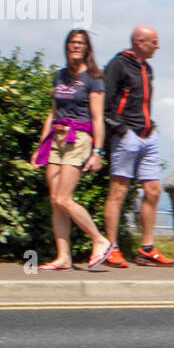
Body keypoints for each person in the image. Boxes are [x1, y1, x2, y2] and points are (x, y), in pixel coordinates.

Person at [31, 29, 113, 270]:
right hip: (56, 138)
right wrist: (40, 146)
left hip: (78, 139)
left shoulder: (94, 78)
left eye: (80, 43)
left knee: (64, 198)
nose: (76, 46)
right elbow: (53, 113)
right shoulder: (60, 76)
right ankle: (63, 257)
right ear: (66, 46)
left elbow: (98, 118)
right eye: (72, 42)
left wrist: (98, 151)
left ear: (87, 48)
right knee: (55, 200)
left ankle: (99, 241)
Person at [101, 25, 174, 267]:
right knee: (118, 192)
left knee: (153, 190)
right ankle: (111, 248)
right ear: (139, 42)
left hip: (147, 136)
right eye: (153, 42)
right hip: (126, 137)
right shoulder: (118, 65)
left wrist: (150, 127)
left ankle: (146, 249)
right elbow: (105, 104)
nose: (157, 46)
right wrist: (122, 131)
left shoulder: (147, 68)